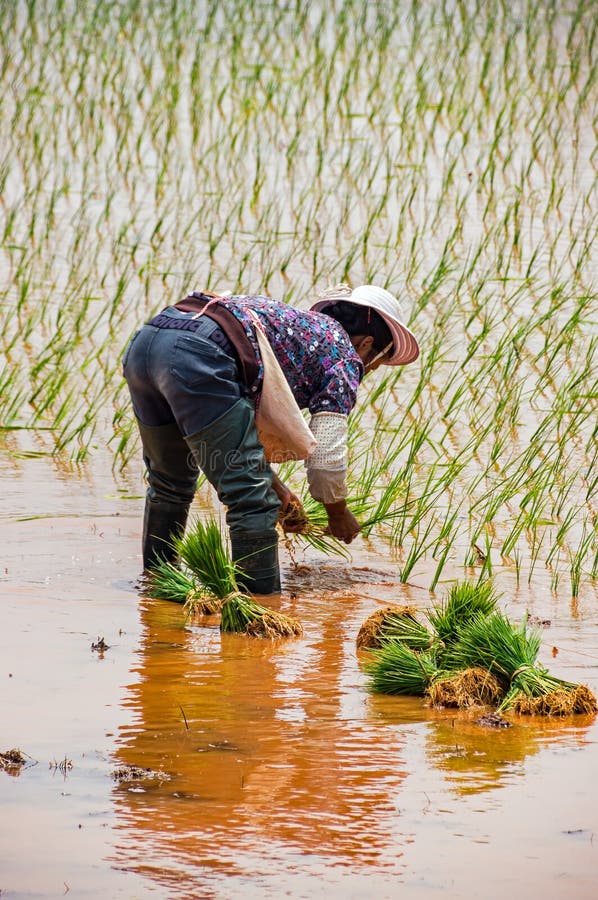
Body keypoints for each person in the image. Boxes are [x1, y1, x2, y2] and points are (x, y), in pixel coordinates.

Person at [123, 283, 419, 594]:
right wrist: (337, 513)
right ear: (367, 343)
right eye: (376, 363)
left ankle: (157, 588)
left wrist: (278, 490)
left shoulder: (301, 332)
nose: (367, 371)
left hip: (149, 342)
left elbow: (230, 435)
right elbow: (326, 457)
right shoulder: (343, 356)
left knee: (170, 482)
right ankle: (258, 611)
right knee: (252, 502)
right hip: (202, 353)